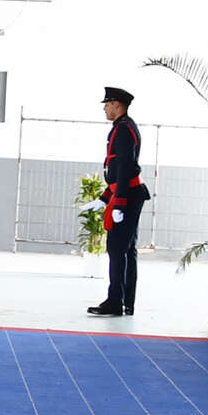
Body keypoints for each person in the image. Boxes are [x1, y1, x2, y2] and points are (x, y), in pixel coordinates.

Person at [87, 86, 146, 316]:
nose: (105, 108)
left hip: (128, 196)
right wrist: (104, 199)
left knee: (118, 248)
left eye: (107, 104)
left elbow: (124, 167)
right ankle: (125, 301)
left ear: (117, 105)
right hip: (127, 193)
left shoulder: (123, 130)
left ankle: (115, 301)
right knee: (126, 249)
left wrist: (119, 203)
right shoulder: (122, 127)